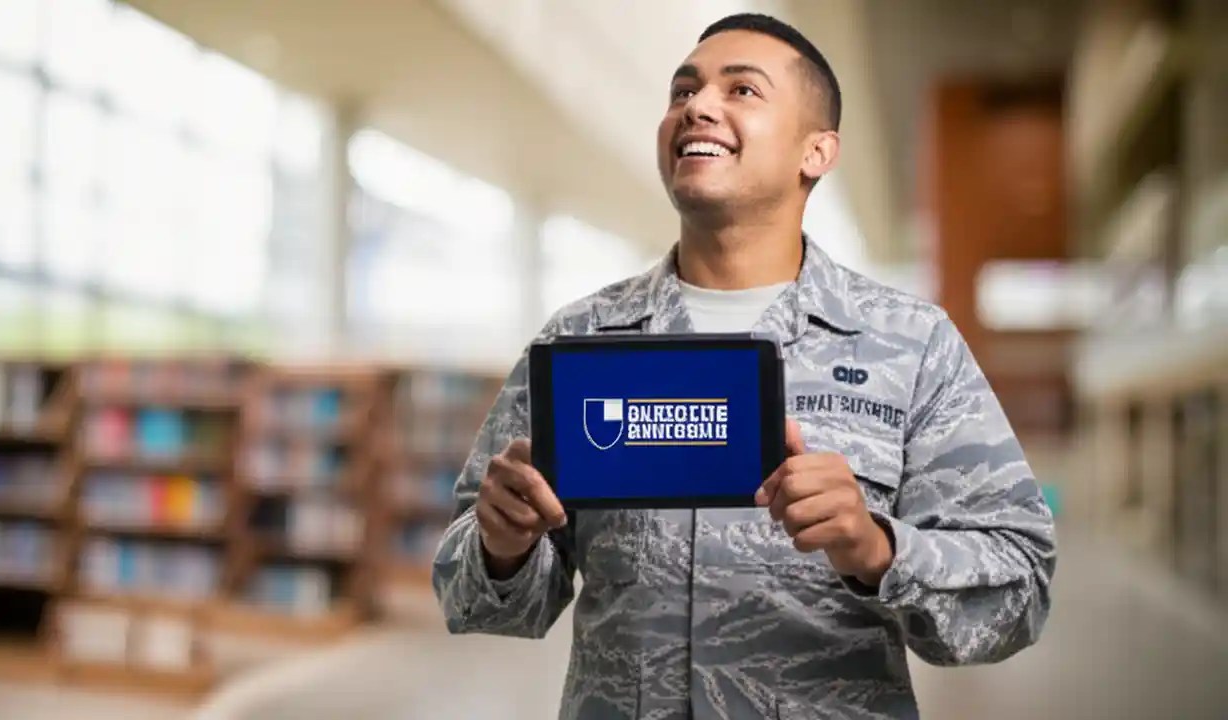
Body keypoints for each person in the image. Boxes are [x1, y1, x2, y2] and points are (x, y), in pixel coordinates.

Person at [432, 12, 1056, 719]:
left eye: (743, 91)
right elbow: (469, 589)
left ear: (816, 151)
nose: (696, 106)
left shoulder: (910, 345)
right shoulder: (582, 342)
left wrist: (877, 548)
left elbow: (1021, 586)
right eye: (682, 91)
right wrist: (502, 545)